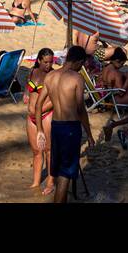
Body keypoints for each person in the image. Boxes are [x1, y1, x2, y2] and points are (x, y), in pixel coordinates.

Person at [33, 45, 93, 203]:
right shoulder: (76, 78)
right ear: (79, 61)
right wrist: (90, 134)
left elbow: (38, 105)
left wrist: (39, 129)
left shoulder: (51, 76)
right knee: (65, 175)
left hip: (55, 127)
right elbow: (81, 110)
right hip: (70, 129)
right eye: (82, 65)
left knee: (59, 171)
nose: (82, 68)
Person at [26, 48, 57, 194]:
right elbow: (28, 89)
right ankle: (36, 182)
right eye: (45, 62)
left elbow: (55, 100)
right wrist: (26, 94)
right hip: (31, 117)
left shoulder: (53, 76)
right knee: (36, 151)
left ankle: (50, 182)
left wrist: (39, 109)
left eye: (51, 62)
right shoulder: (33, 71)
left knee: (48, 150)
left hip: (46, 115)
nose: (48, 65)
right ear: (38, 60)